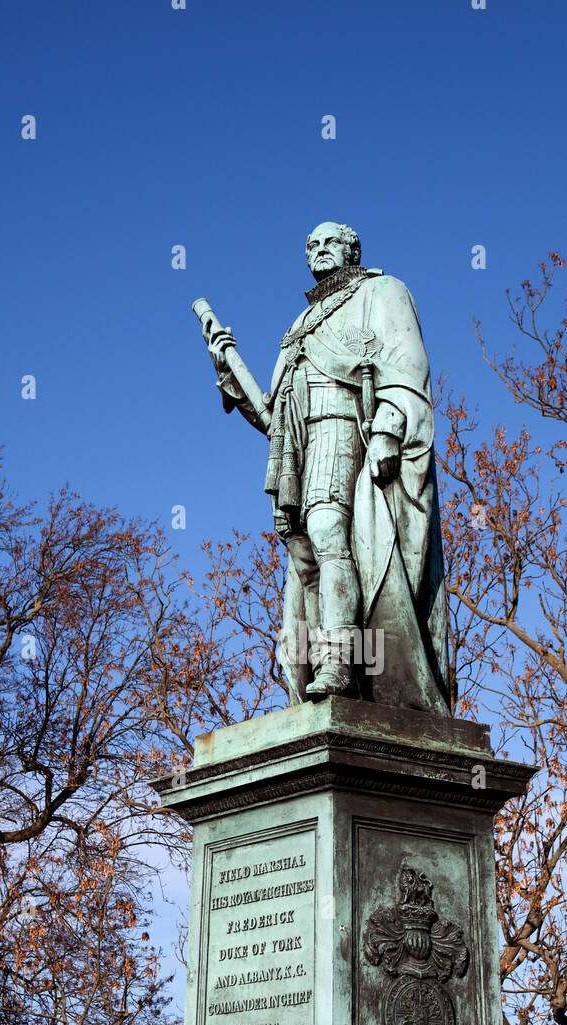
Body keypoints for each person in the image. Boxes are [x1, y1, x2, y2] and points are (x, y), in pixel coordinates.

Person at [204, 221, 450, 715]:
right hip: (296, 445)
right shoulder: (299, 324)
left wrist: (388, 427)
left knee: (326, 529)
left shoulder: (381, 290)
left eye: (329, 242)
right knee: (305, 555)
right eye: (310, 245)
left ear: (352, 249)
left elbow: (407, 365)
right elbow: (273, 416)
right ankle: (329, 667)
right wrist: (227, 372)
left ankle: (339, 662)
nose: (318, 251)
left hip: (345, 428)